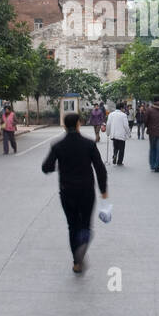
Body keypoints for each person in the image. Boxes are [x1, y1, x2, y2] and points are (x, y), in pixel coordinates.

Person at [42, 113, 109, 273]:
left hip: (67, 191)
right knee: (85, 224)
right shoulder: (89, 144)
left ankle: (76, 262)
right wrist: (103, 190)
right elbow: (100, 168)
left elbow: (46, 167)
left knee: (72, 226)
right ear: (79, 124)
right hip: (86, 191)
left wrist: (59, 166)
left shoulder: (58, 145)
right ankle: (84, 244)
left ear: (64, 126)